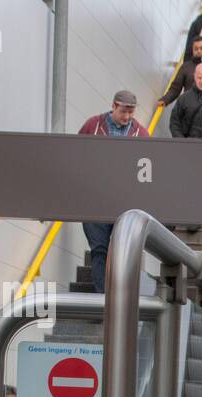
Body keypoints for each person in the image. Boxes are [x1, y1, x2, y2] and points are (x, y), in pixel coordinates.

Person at [77, 91, 149, 294]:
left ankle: (120, 297)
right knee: (99, 250)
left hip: (125, 202)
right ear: (114, 106)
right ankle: (103, 298)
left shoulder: (141, 134)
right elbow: (76, 155)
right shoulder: (92, 126)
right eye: (123, 111)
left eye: (131, 112)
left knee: (121, 252)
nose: (127, 116)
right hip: (94, 199)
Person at [157, 34, 202, 108]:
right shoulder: (185, 67)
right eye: (196, 49)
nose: (199, 51)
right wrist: (165, 100)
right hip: (190, 109)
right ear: (192, 51)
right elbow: (175, 88)